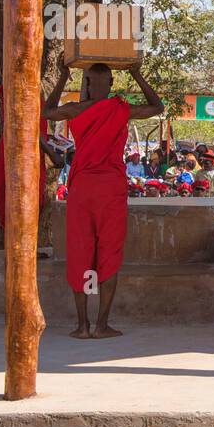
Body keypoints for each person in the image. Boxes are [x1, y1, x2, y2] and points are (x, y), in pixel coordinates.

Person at [42, 62, 164, 338]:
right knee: (108, 254)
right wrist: (136, 74)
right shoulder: (120, 109)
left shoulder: (75, 109)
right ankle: (102, 325)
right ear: (110, 85)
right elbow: (157, 107)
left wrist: (62, 77)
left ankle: (82, 325)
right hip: (110, 189)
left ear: (85, 84)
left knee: (82, 253)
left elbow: (47, 111)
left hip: (83, 188)